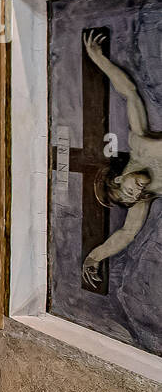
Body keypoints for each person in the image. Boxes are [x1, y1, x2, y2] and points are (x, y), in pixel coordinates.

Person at [81, 28, 162, 286]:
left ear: (118, 180)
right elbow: (126, 233)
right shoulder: (148, 193)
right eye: (133, 199)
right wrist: (94, 257)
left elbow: (129, 93)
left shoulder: (139, 143)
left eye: (128, 193)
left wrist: (98, 59)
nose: (136, 195)